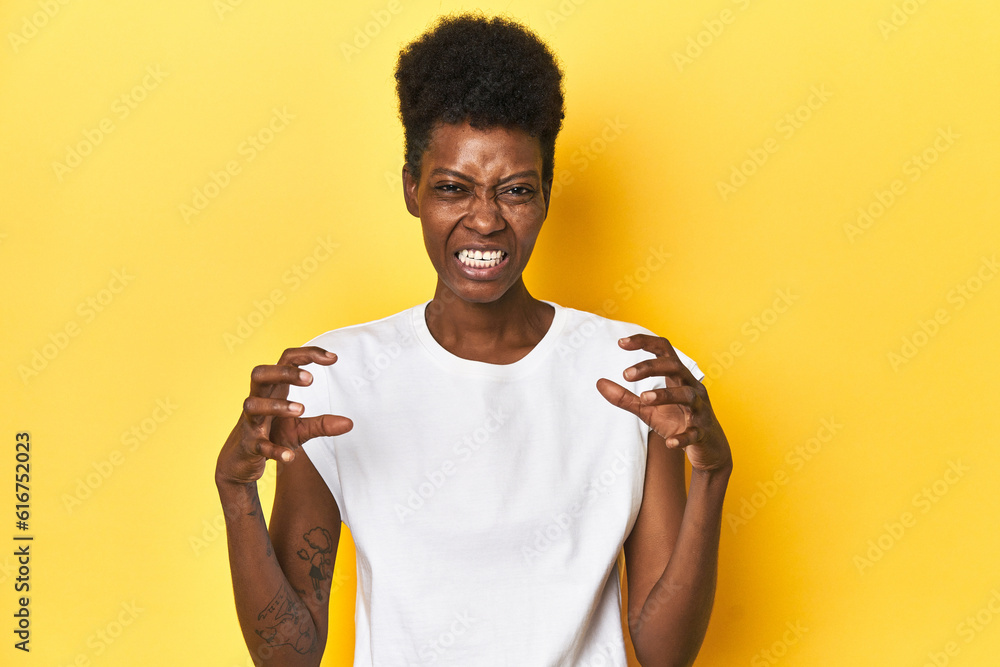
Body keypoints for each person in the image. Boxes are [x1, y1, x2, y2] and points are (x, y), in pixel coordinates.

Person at [215, 12, 733, 667]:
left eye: (514, 190)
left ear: (546, 193)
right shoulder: (335, 380)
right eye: (453, 188)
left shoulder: (636, 373)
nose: (484, 219)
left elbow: (665, 654)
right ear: (412, 189)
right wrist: (236, 493)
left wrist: (712, 475)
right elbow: (288, 656)